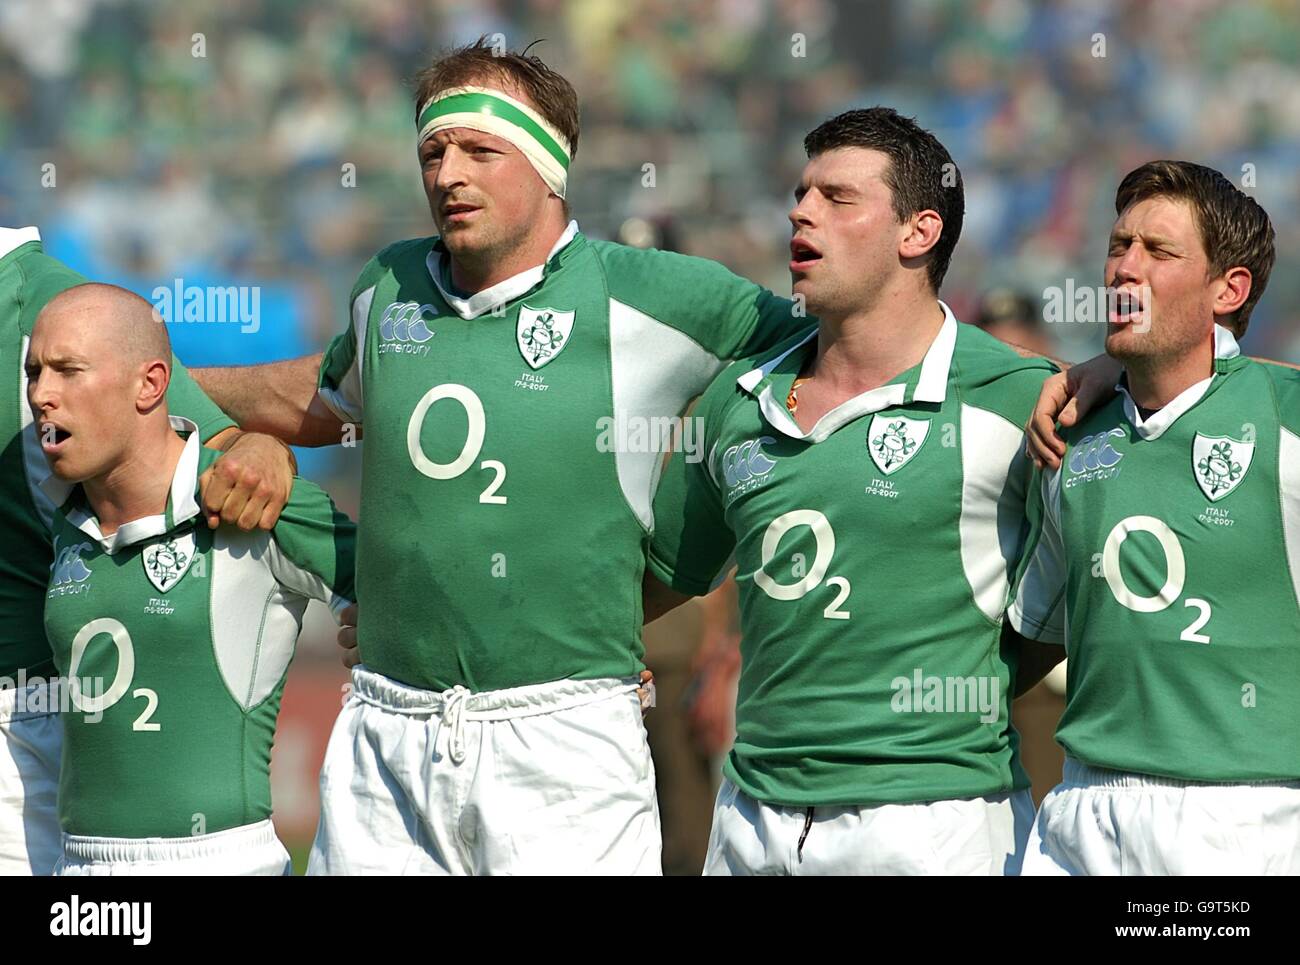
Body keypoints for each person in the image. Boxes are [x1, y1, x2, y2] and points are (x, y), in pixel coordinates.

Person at [190, 39, 811, 875]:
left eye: (480, 151)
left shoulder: (653, 292)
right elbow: (329, 395)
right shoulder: (388, 283)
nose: (447, 174)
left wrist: (1020, 387)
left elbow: (831, 348)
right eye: (433, 152)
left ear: (550, 166)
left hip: (565, 734)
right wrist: (161, 385)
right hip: (386, 724)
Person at [643, 108, 1063, 875]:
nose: (801, 211)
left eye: (837, 198)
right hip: (750, 821)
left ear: (919, 231)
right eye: (801, 194)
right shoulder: (737, 403)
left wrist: (962, 696)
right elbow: (649, 586)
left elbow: (1073, 602)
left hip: (938, 825)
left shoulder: (1019, 395)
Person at [1009, 160, 1300, 874]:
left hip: (1244, 819)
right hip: (1079, 812)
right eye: (1118, 246)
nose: (1121, 269)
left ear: (1228, 289)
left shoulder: (1285, 416)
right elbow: (1031, 637)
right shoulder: (1070, 434)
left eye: (1158, 252)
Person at [27, 284, 354, 875]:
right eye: (34, 373)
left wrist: (385, 627)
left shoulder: (252, 498)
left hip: (220, 861)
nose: (42, 396)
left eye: (68, 371)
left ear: (150, 384)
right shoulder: (58, 522)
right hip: (77, 872)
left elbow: (410, 586)